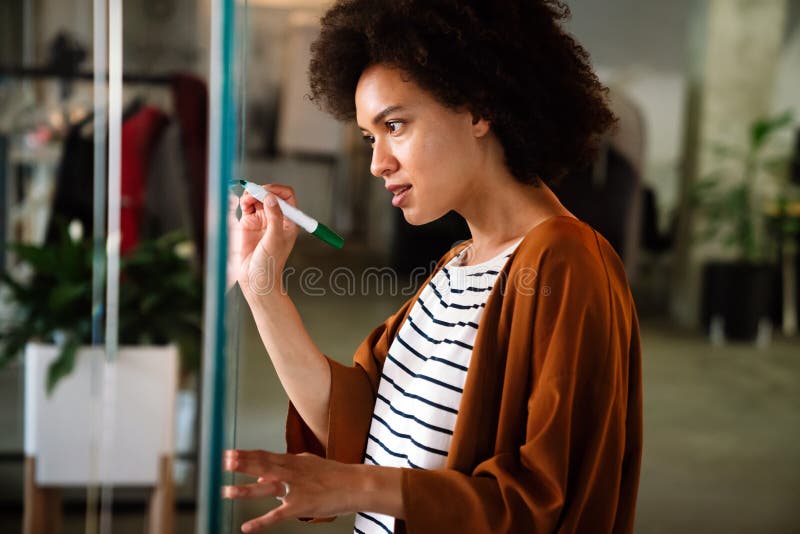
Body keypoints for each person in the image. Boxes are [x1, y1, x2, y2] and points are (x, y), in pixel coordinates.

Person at [223, 1, 642, 533]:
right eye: (370, 137)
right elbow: (357, 421)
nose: (378, 163)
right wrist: (261, 287)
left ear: (478, 110)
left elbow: (544, 503)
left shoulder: (565, 261)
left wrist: (355, 486)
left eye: (395, 125)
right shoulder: (457, 265)